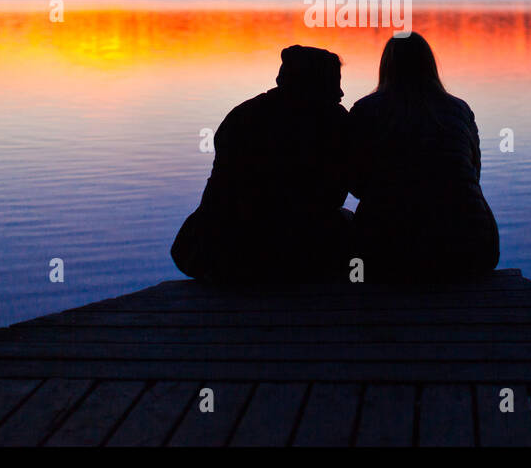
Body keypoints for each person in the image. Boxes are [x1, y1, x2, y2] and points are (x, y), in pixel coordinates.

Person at [170, 45, 351, 288]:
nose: (340, 94)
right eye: (333, 85)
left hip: (221, 249)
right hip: (285, 246)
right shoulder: (333, 122)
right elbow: (334, 195)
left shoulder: (242, 115)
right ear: (314, 86)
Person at [347, 32, 499, 283]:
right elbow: (474, 174)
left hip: (388, 252)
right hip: (474, 248)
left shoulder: (366, 110)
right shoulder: (459, 110)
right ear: (430, 66)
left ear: (386, 67)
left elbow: (356, 183)